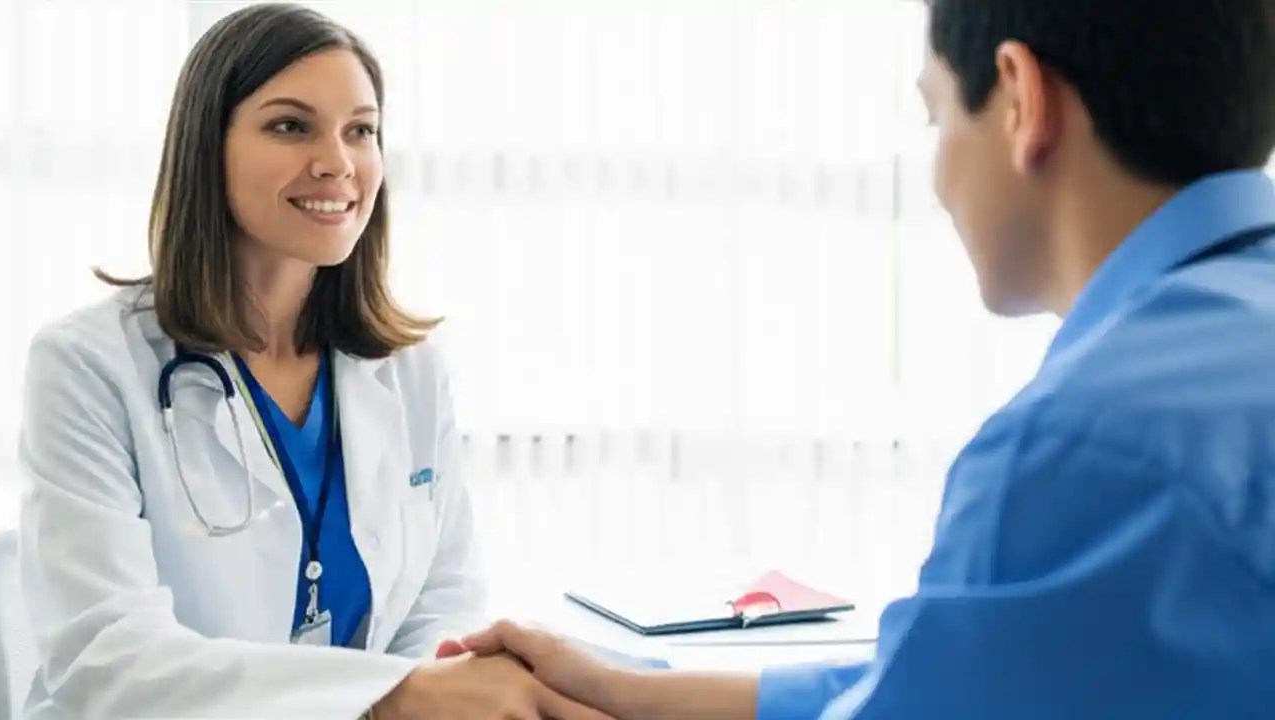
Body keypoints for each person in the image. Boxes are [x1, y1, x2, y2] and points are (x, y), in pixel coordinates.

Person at [441, 0, 1275, 717]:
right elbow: (967, 678)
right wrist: (635, 690)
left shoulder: (1083, 443)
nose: (940, 174)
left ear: (1022, 100)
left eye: (936, 116)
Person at [16, 4, 605, 719]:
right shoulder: (89, 367)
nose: (337, 162)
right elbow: (107, 663)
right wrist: (394, 697)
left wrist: (438, 690)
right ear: (208, 147)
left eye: (361, 130)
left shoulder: (409, 368)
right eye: (290, 125)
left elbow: (441, 603)